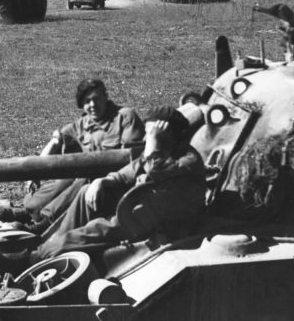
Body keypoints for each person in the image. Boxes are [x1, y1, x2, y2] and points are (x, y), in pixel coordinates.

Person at [11, 106, 211, 268]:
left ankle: (31, 261)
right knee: (84, 194)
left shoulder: (186, 161)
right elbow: (130, 170)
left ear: (168, 135)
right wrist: (103, 181)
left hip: (156, 224)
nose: (146, 136)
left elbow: (154, 169)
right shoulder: (165, 151)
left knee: (90, 231)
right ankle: (47, 249)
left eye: (151, 132)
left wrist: (153, 142)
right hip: (141, 210)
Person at [21, 79, 144, 224]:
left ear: (105, 96)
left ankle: (46, 220)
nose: (92, 105)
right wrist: (36, 171)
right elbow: (56, 140)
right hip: (88, 182)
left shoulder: (125, 117)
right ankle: (29, 212)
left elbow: (134, 160)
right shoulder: (82, 124)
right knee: (66, 180)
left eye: (96, 98)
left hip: (115, 185)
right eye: (87, 101)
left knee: (86, 177)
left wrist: (105, 178)